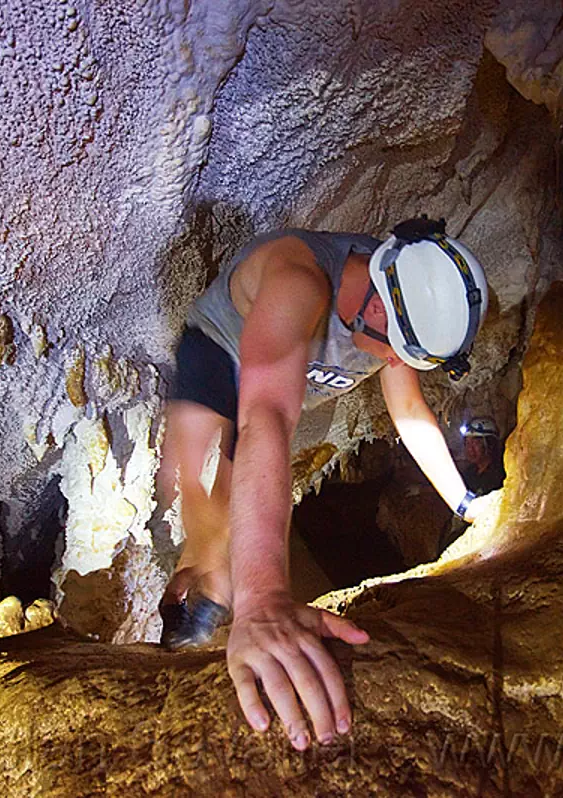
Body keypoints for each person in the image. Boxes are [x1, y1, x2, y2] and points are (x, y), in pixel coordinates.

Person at [152, 216, 493, 751]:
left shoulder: (394, 305)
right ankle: (182, 594)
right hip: (220, 354)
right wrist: (264, 601)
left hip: (275, 379)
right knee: (195, 494)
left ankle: (201, 598)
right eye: (393, 352)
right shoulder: (300, 279)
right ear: (379, 306)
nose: (389, 362)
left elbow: (406, 407)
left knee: (225, 545)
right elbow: (266, 415)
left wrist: (466, 500)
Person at [438, 416, 505, 553]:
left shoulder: (500, 474)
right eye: (467, 443)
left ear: (489, 445)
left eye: (475, 443)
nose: (469, 449)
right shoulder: (470, 473)